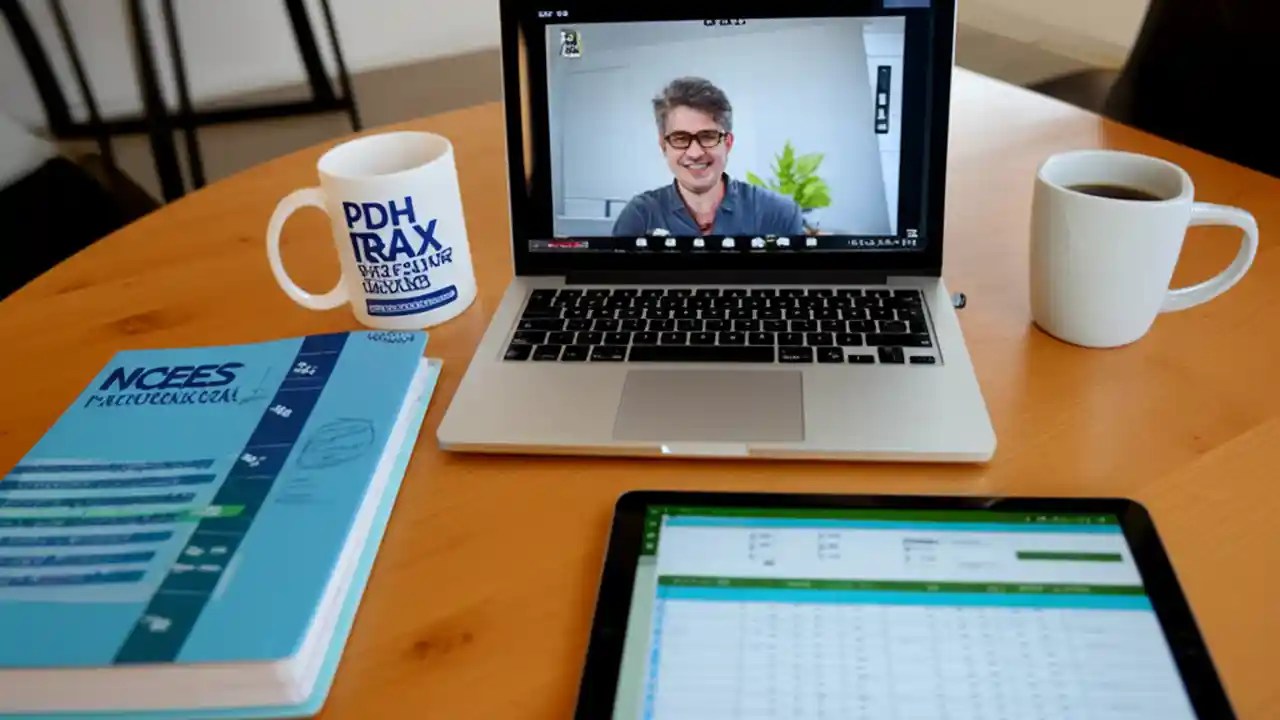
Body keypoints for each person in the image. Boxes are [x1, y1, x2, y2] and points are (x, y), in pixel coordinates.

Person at [611, 77, 804, 237]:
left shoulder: (779, 214)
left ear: (727, 143)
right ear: (663, 145)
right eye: (680, 138)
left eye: (708, 137)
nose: (695, 153)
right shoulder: (640, 216)